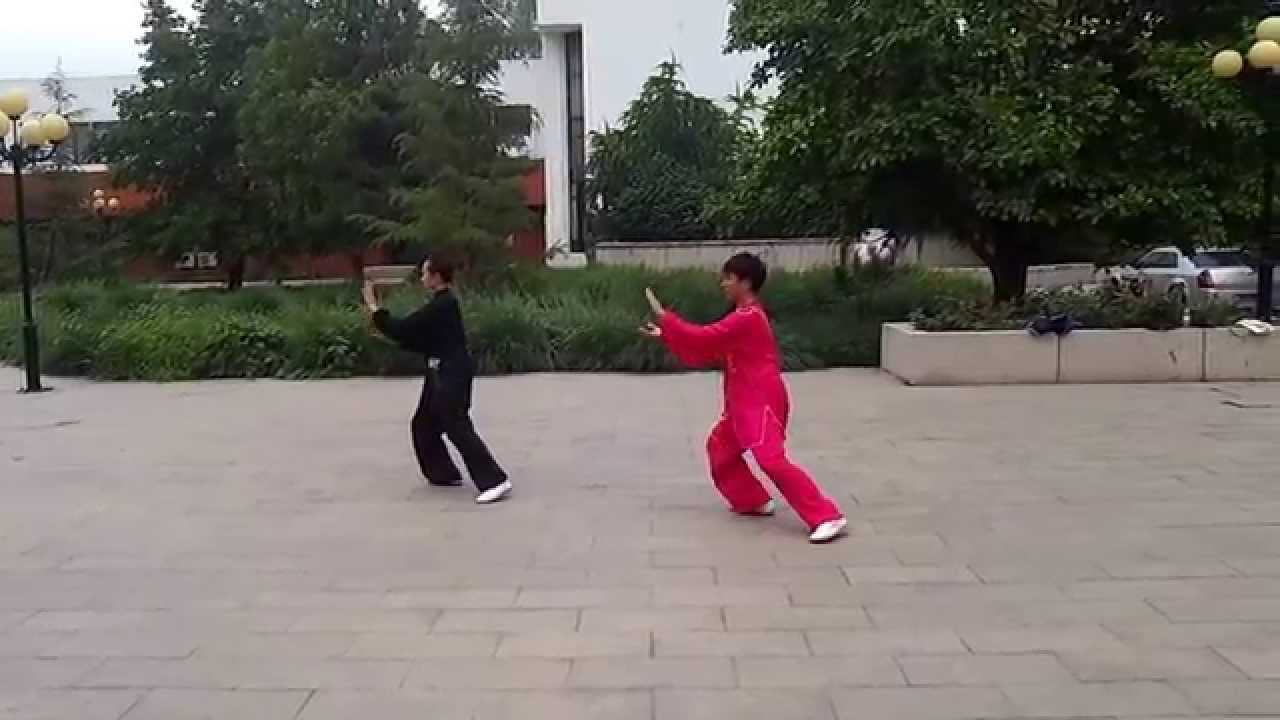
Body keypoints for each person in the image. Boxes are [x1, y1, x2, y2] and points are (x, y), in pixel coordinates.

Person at [642, 253, 847, 543]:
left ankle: (827, 516)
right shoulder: (740, 316)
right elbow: (708, 350)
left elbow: (704, 337)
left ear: (746, 282)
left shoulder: (749, 318)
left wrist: (668, 319)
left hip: (761, 401)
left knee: (771, 460)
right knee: (720, 448)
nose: (723, 282)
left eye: (729, 277)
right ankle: (752, 500)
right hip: (741, 402)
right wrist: (667, 334)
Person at [362, 256, 511, 504]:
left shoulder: (443, 305)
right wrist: (391, 335)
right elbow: (420, 339)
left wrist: (374, 309)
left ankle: (495, 480)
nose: (421, 278)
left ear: (436, 277)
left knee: (456, 425)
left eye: (424, 274)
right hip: (438, 370)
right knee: (424, 424)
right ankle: (444, 474)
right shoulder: (440, 305)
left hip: (452, 372)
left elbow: (405, 328)